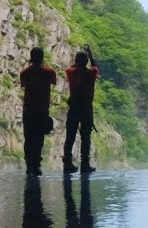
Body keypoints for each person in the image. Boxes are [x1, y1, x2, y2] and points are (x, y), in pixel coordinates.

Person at [19, 47, 57, 177]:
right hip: (42, 110)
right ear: (42, 57)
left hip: (28, 109)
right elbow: (54, 82)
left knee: (28, 138)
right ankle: (36, 165)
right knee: (39, 138)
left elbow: (23, 84)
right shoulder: (49, 72)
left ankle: (29, 165)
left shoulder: (25, 72)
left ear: (31, 57)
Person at [63, 45, 99, 174]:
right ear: (87, 61)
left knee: (70, 136)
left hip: (73, 108)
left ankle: (67, 163)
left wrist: (77, 62)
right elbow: (96, 68)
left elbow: (72, 67)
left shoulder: (71, 73)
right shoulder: (91, 73)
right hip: (86, 108)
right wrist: (90, 55)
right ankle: (85, 164)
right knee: (85, 137)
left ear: (76, 61)